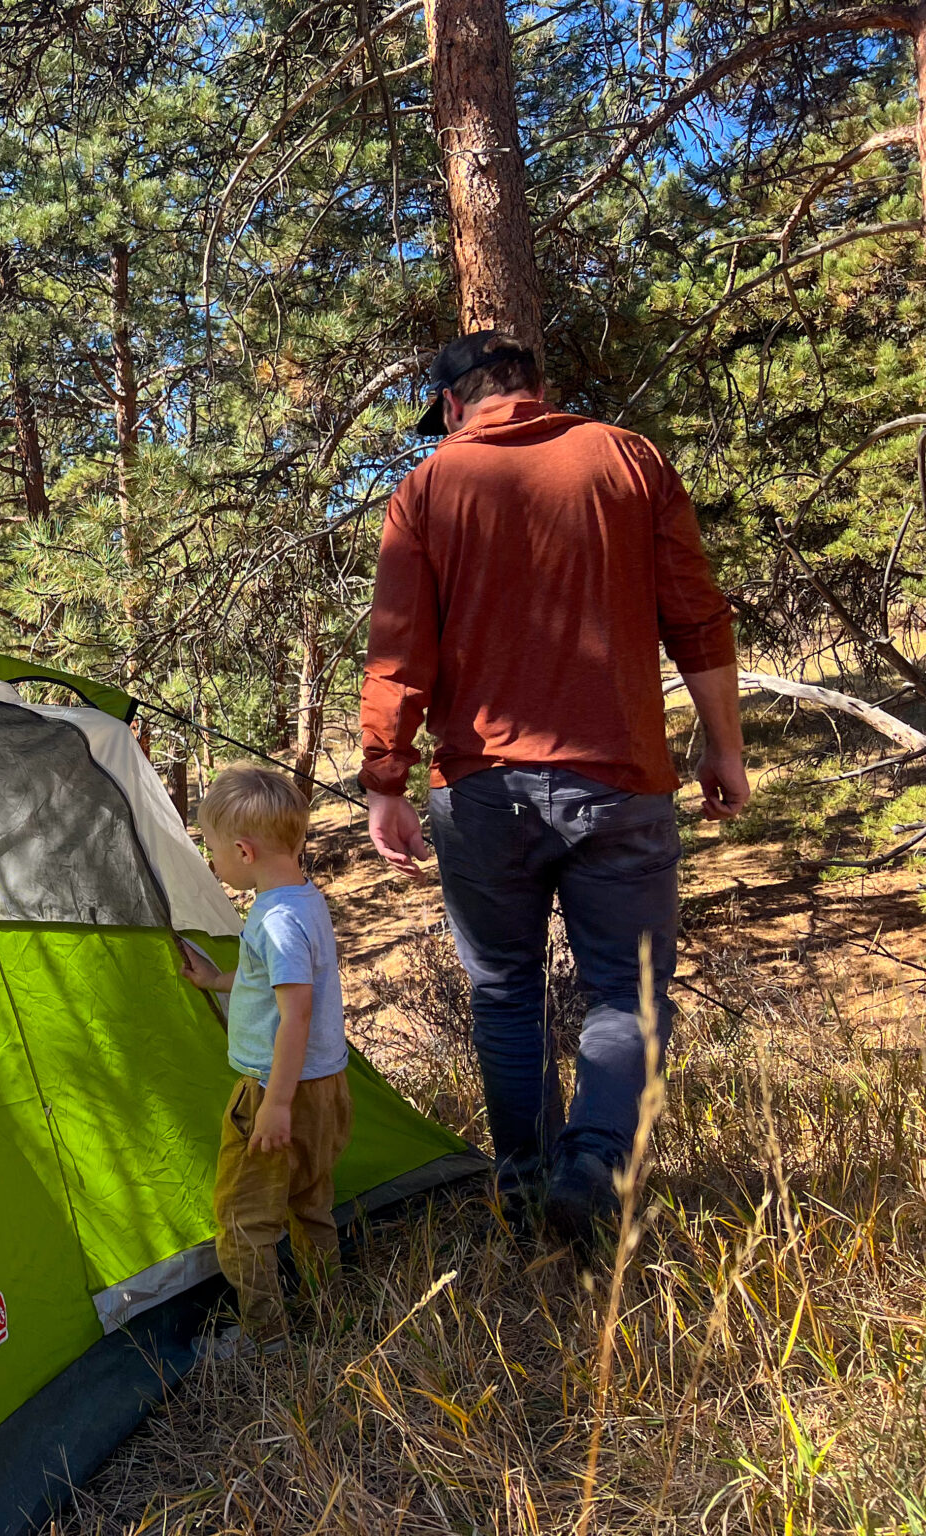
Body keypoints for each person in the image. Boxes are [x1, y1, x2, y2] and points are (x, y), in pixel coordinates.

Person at [359, 330, 748, 1238]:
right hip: (619, 781)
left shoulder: (426, 488)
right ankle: (595, 1170)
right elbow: (696, 617)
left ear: (453, 406)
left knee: (503, 990)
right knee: (627, 991)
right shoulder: (626, 458)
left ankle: (529, 1183)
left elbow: (397, 653)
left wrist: (386, 780)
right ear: (539, 388)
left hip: (482, 793)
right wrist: (722, 747)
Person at [180, 766, 350, 1337]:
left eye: (212, 850)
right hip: (326, 1088)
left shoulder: (274, 920)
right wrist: (215, 980)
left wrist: (274, 1104)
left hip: (276, 1090)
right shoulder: (303, 901)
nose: (212, 861)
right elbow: (276, 986)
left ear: (243, 851)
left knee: (241, 1217)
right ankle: (330, 1309)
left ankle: (265, 1334)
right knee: (309, 1203)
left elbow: (295, 1014)